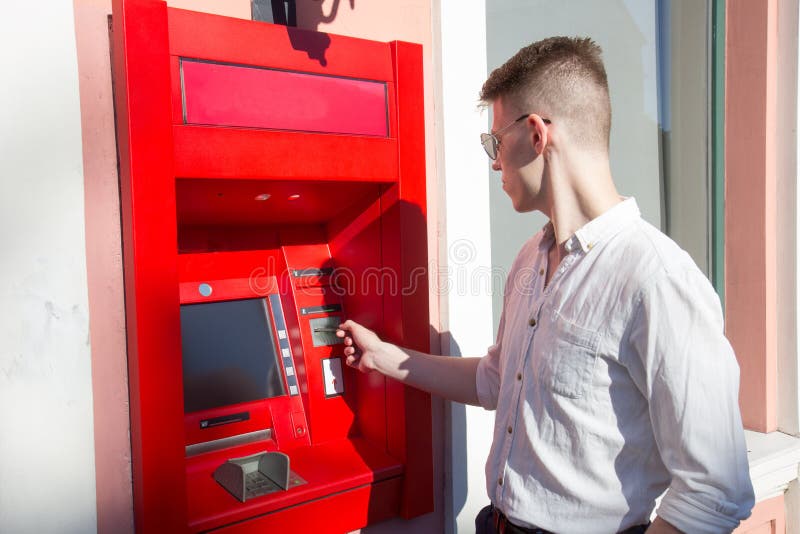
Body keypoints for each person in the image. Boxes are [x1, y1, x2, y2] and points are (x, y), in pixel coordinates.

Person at [337, 36, 754, 534]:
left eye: (495, 141)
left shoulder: (658, 280)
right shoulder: (529, 260)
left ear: (536, 134)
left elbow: (715, 490)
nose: (494, 162)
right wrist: (383, 357)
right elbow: (495, 380)